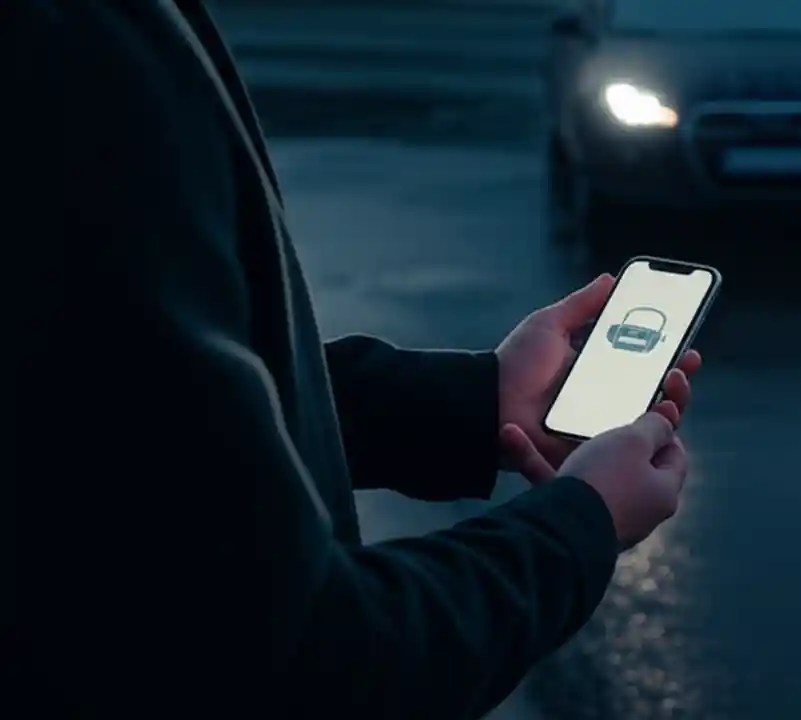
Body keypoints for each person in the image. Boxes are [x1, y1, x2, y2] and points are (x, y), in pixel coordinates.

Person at [3, 1, 699, 716]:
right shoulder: (74, 46)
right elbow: (304, 660)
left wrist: (474, 401)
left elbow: (121, 407)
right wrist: (581, 525)